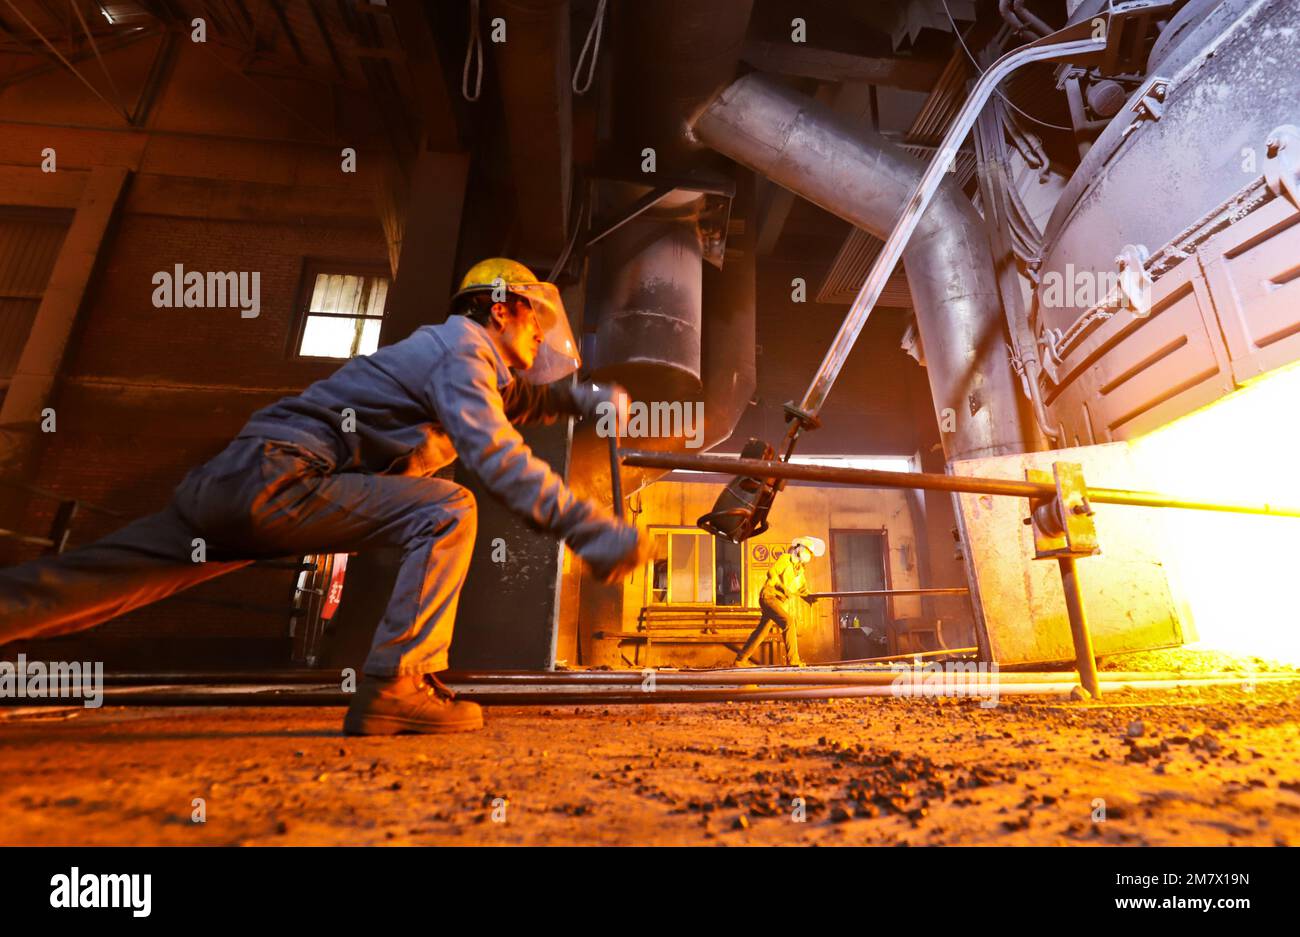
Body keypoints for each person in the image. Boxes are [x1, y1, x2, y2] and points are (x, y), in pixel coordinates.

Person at [0, 258, 650, 734]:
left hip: (232, 481)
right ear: (502, 308)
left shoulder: (449, 351)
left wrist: (575, 396)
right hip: (280, 481)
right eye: (535, 331)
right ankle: (399, 682)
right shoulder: (465, 351)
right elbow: (496, 454)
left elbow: (518, 399)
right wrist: (589, 527)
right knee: (449, 506)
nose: (537, 347)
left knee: (84, 582)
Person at [733, 535, 825, 668]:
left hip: (778, 601)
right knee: (789, 622)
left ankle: (740, 660)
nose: (809, 555)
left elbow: (802, 590)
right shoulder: (785, 559)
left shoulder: (800, 571)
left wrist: (812, 597)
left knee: (761, 631)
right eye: (808, 551)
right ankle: (793, 660)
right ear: (799, 549)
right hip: (768, 597)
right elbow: (772, 572)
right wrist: (782, 588)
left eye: (810, 553)